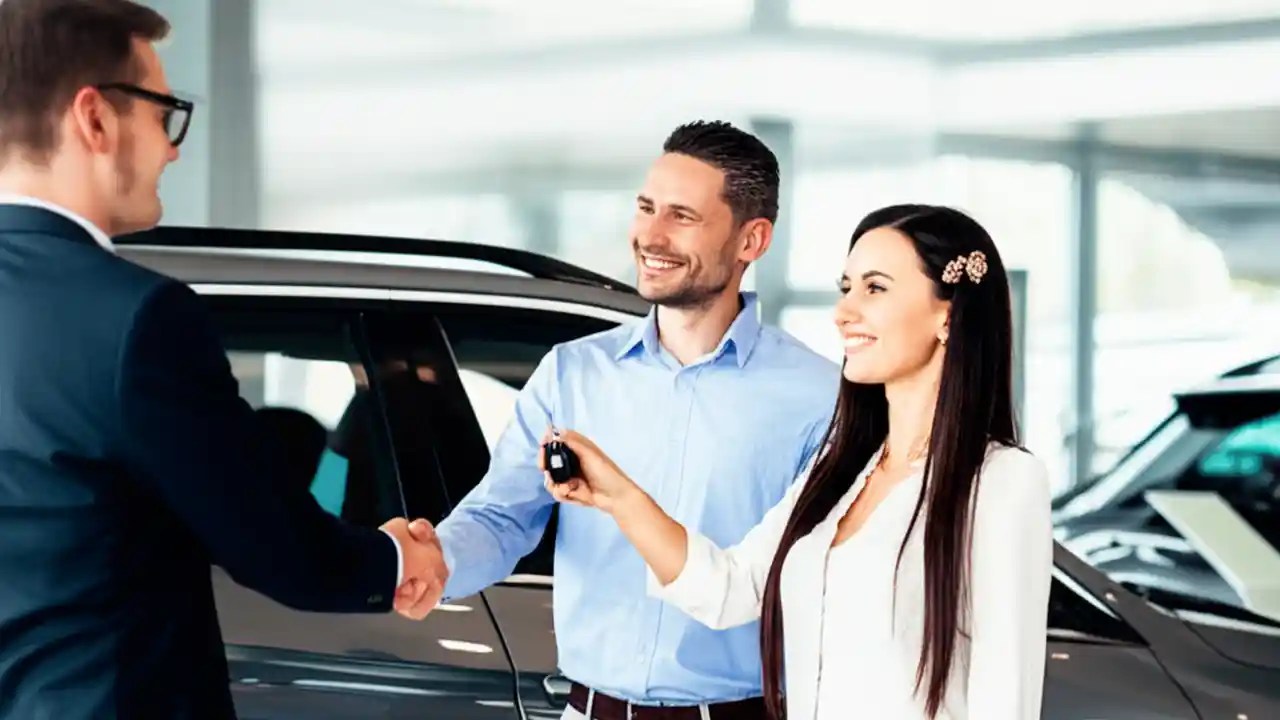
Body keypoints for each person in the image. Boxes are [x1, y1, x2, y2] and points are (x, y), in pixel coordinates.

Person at [0, 2, 443, 718]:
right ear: (95, 118)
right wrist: (394, 560)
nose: (173, 149)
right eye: (164, 114)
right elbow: (274, 546)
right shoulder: (138, 319)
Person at [543, 204, 1054, 720]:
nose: (844, 312)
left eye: (875, 288)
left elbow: (1004, 700)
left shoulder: (1003, 481)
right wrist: (619, 496)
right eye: (845, 287)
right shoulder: (843, 468)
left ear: (948, 315)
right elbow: (729, 589)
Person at [425, 121, 841, 719]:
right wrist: (433, 562)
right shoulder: (571, 373)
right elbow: (501, 518)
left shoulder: (819, 397)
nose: (651, 235)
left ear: (751, 240)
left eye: (682, 216)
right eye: (646, 208)